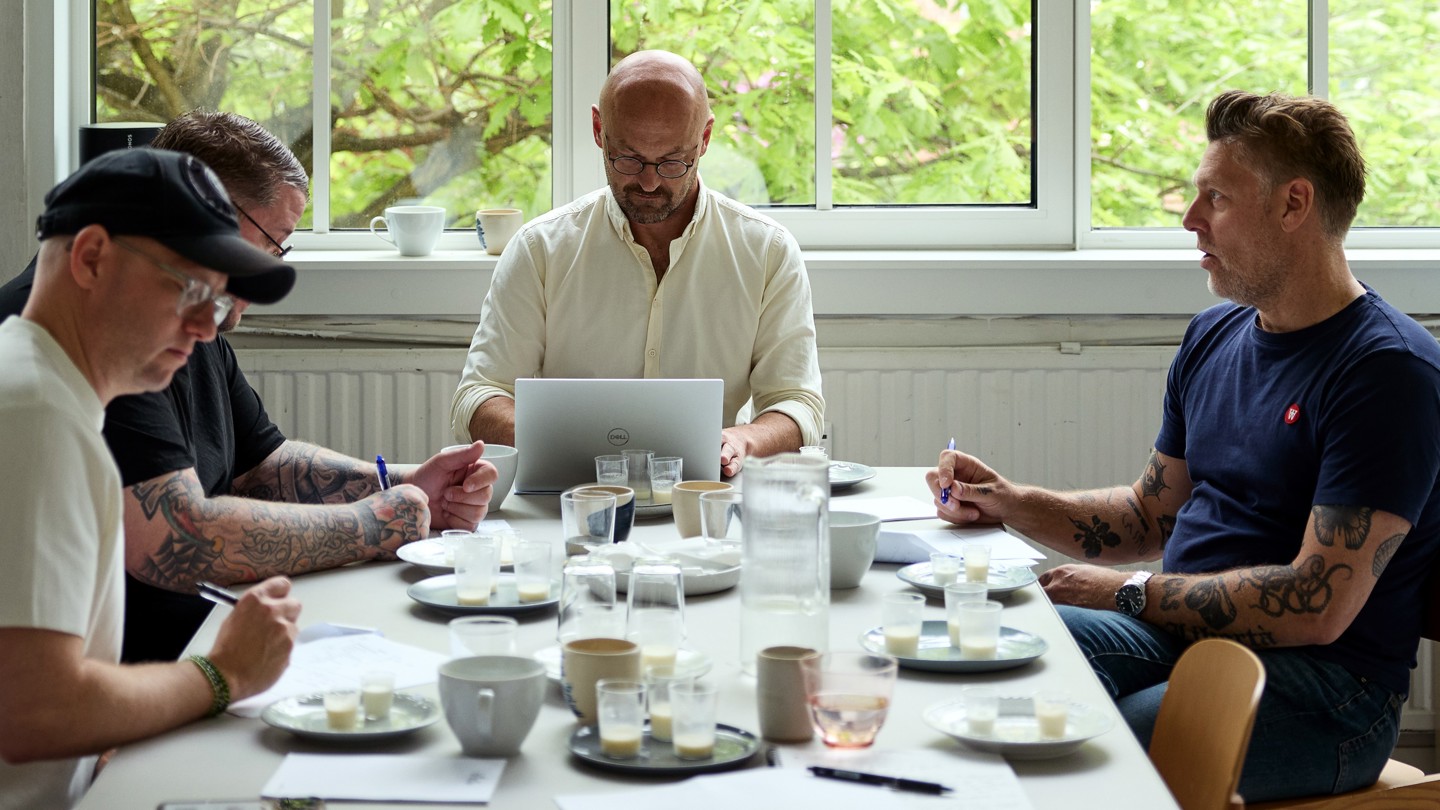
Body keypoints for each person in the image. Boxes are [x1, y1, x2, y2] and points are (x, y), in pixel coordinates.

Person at [927, 90, 1440, 802]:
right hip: (1185, 639)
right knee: (997, 662)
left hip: (1329, 691)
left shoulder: (1386, 372)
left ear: (1295, 205)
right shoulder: (1215, 337)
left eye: (1216, 199)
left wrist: (1128, 593)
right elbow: (1148, 518)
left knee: (1085, 750)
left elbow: (1313, 604)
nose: (1189, 220)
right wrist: (1012, 504)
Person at [0, 110, 498, 664]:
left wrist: (409, 482)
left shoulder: (139, 339)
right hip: (161, 661)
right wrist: (376, 523)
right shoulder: (65, 368)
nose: (210, 321)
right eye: (272, 244)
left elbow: (260, 462)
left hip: (190, 643)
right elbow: (175, 535)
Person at [0, 148, 302, 810]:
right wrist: (222, 674)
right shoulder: (35, 414)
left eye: (218, 302)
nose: (205, 329)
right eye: (189, 288)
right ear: (91, 257)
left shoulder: (43, 389)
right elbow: (33, 713)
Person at [450, 50, 824, 477]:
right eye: (627, 159)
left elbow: (798, 403)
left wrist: (743, 439)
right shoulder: (541, 249)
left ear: (704, 139)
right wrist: (554, 436)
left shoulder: (767, 251)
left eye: (672, 162)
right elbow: (478, 395)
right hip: (576, 498)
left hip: (706, 497)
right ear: (598, 130)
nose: (649, 181)